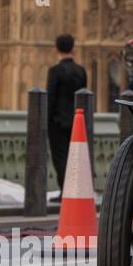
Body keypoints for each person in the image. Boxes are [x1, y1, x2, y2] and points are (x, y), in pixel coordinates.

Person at [46, 33, 88, 198]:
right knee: (76, 157)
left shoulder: (55, 71)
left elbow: (50, 97)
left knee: (60, 157)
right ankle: (76, 189)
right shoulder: (81, 71)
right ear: (73, 48)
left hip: (57, 121)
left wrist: (46, 121)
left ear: (56, 48)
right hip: (77, 120)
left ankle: (65, 191)